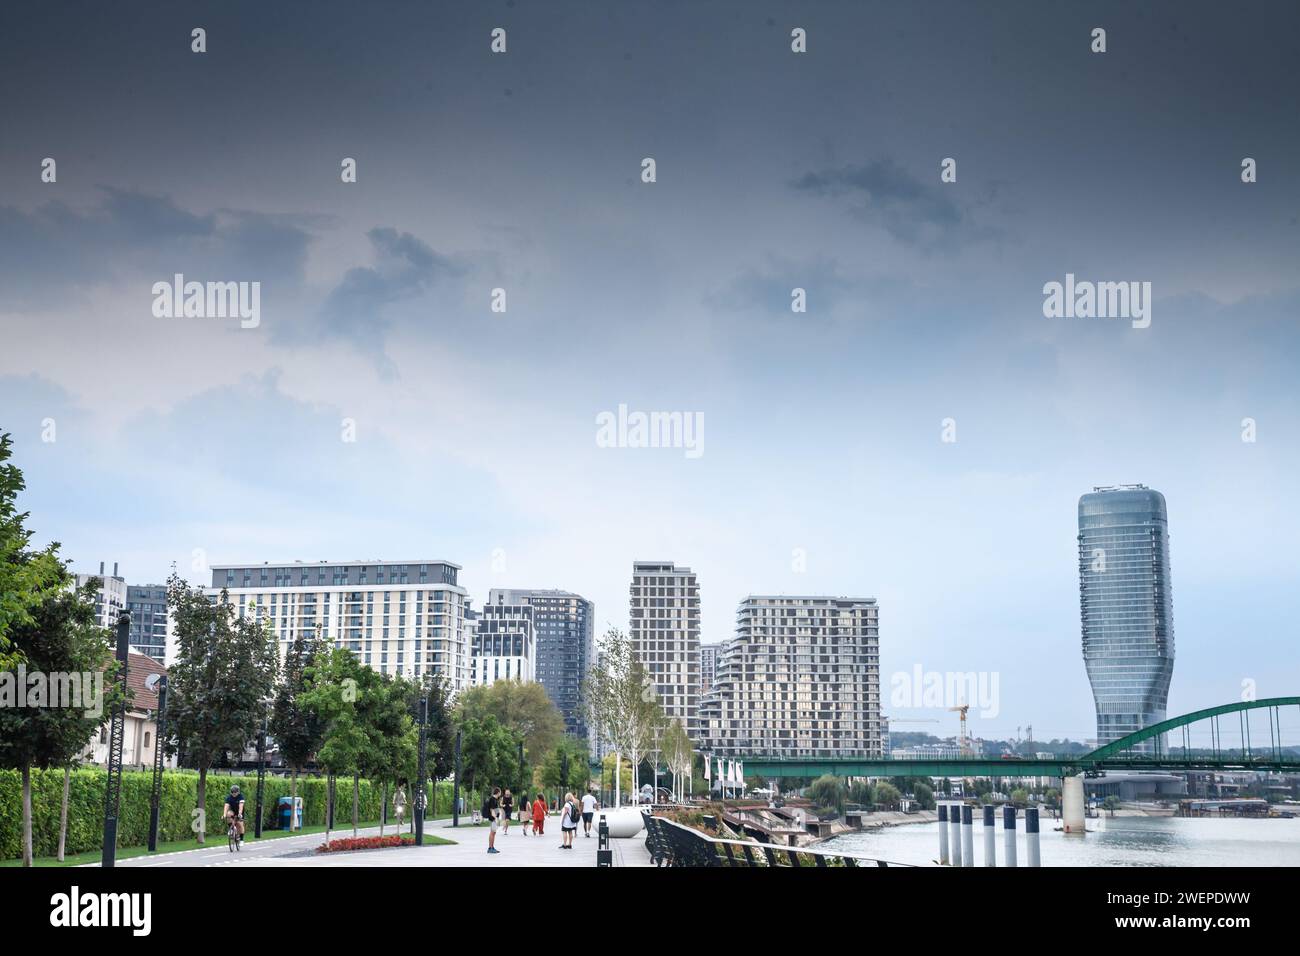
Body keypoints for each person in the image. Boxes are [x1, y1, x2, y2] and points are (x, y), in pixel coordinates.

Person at [484, 787, 501, 854]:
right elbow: (491, 810)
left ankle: (492, 847)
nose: (500, 794)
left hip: (494, 818)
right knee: (492, 832)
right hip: (493, 818)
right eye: (500, 792)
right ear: (498, 792)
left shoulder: (495, 799)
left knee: (493, 832)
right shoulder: (492, 799)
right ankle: (490, 848)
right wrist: (495, 818)